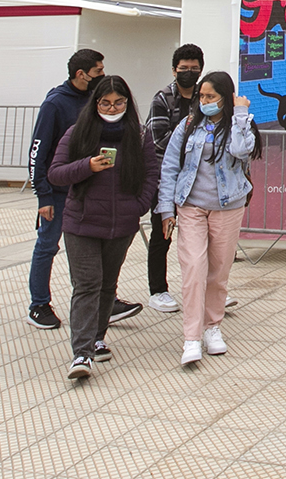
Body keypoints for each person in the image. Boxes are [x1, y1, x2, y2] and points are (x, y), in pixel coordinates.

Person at [47, 76, 158, 380]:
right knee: (87, 285)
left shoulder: (138, 134)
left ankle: (97, 336)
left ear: (127, 103)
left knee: (108, 284)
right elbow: (55, 173)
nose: (112, 108)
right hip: (81, 223)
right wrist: (87, 166)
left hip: (121, 224)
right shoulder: (78, 132)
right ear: (95, 104)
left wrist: (138, 206)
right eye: (106, 102)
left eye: (118, 102)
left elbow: (151, 174)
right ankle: (81, 353)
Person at [27, 49, 137, 330]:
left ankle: (102, 302)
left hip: (91, 192)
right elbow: (38, 152)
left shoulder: (95, 100)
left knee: (94, 256)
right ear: (81, 74)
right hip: (60, 191)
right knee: (47, 245)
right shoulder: (55, 103)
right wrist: (44, 194)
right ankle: (39, 303)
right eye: (98, 71)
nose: (103, 75)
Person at [159, 71, 259, 366]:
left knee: (218, 271)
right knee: (193, 269)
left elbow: (243, 151)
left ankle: (212, 327)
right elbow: (169, 167)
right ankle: (191, 337)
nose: (204, 102)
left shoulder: (241, 125)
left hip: (228, 207)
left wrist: (241, 112)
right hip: (190, 206)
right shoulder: (188, 126)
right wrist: (166, 208)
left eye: (211, 97)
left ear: (225, 99)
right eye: (201, 97)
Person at [145, 44, 204, 315]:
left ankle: (205, 289)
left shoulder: (205, 96)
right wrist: (193, 141)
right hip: (164, 177)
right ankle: (158, 290)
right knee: (162, 234)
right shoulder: (162, 99)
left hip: (197, 179)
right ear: (174, 70)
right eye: (184, 69)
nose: (189, 74)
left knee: (202, 237)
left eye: (194, 69)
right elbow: (158, 139)